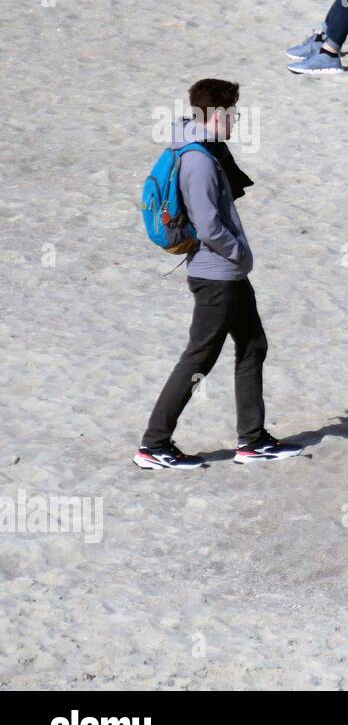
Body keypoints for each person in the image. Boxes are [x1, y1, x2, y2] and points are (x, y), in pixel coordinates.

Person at [135, 80, 303, 469]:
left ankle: (252, 439)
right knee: (198, 359)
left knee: (253, 345)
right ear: (216, 115)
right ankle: (153, 444)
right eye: (233, 114)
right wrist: (239, 252)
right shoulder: (198, 160)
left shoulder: (202, 152)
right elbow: (209, 225)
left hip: (226, 274)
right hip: (217, 276)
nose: (237, 121)